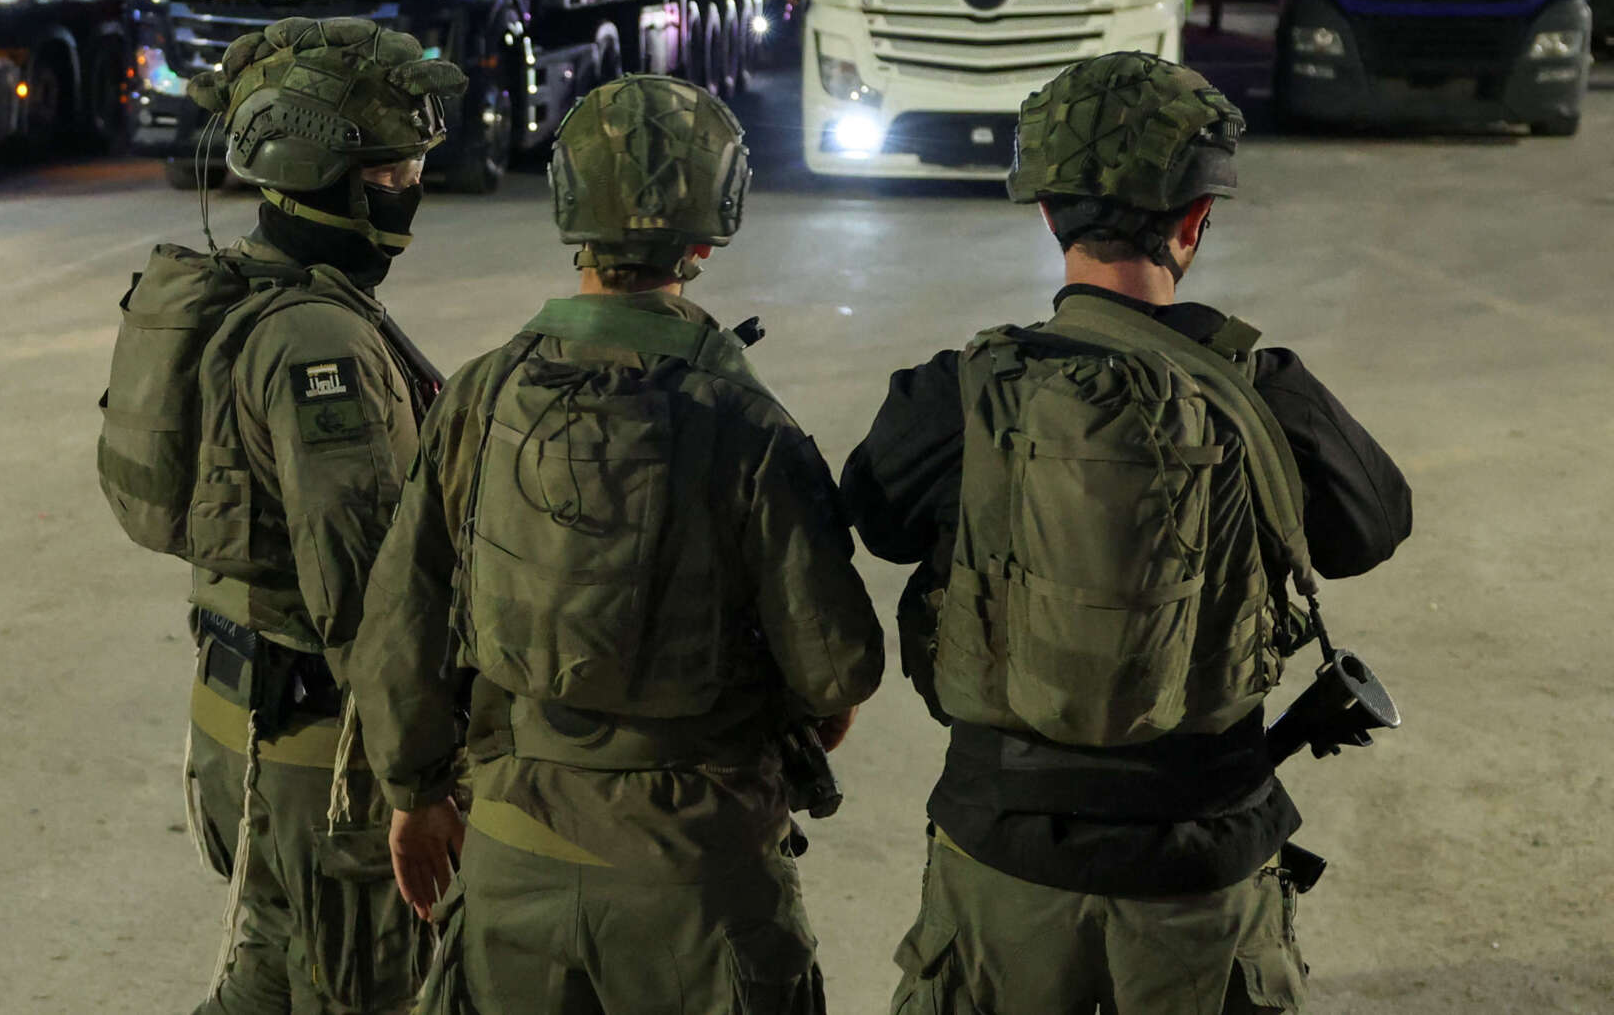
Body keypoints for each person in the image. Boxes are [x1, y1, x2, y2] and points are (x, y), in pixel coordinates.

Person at [840, 51, 1413, 1015]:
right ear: (1196, 219)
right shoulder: (1264, 394)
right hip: (1200, 869)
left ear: (1046, 214)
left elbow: (877, 519)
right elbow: (1375, 524)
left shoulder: (960, 394)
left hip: (1005, 857)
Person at [352, 74, 886, 1015]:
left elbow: (402, 613)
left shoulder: (482, 391)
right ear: (709, 231)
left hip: (514, 859)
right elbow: (837, 668)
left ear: (570, 209)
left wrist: (414, 790)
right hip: (696, 881)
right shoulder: (745, 419)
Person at [170, 17, 467, 1015]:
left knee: (265, 979)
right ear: (319, 174)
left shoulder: (264, 285)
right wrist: (419, 779)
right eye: (388, 172)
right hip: (323, 765)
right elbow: (366, 590)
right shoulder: (318, 343)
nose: (408, 190)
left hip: (247, 719)